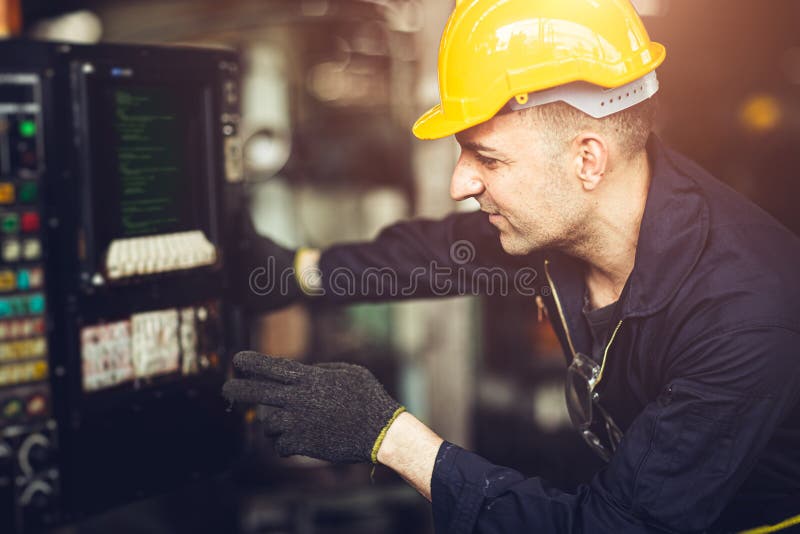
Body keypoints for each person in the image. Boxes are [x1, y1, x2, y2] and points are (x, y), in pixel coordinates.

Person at [223, 0, 800, 531]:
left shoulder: (742, 316)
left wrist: (389, 438)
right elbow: (442, 253)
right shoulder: (570, 217)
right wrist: (295, 271)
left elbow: (618, 525)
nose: (460, 183)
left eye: (488, 158)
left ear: (588, 159)